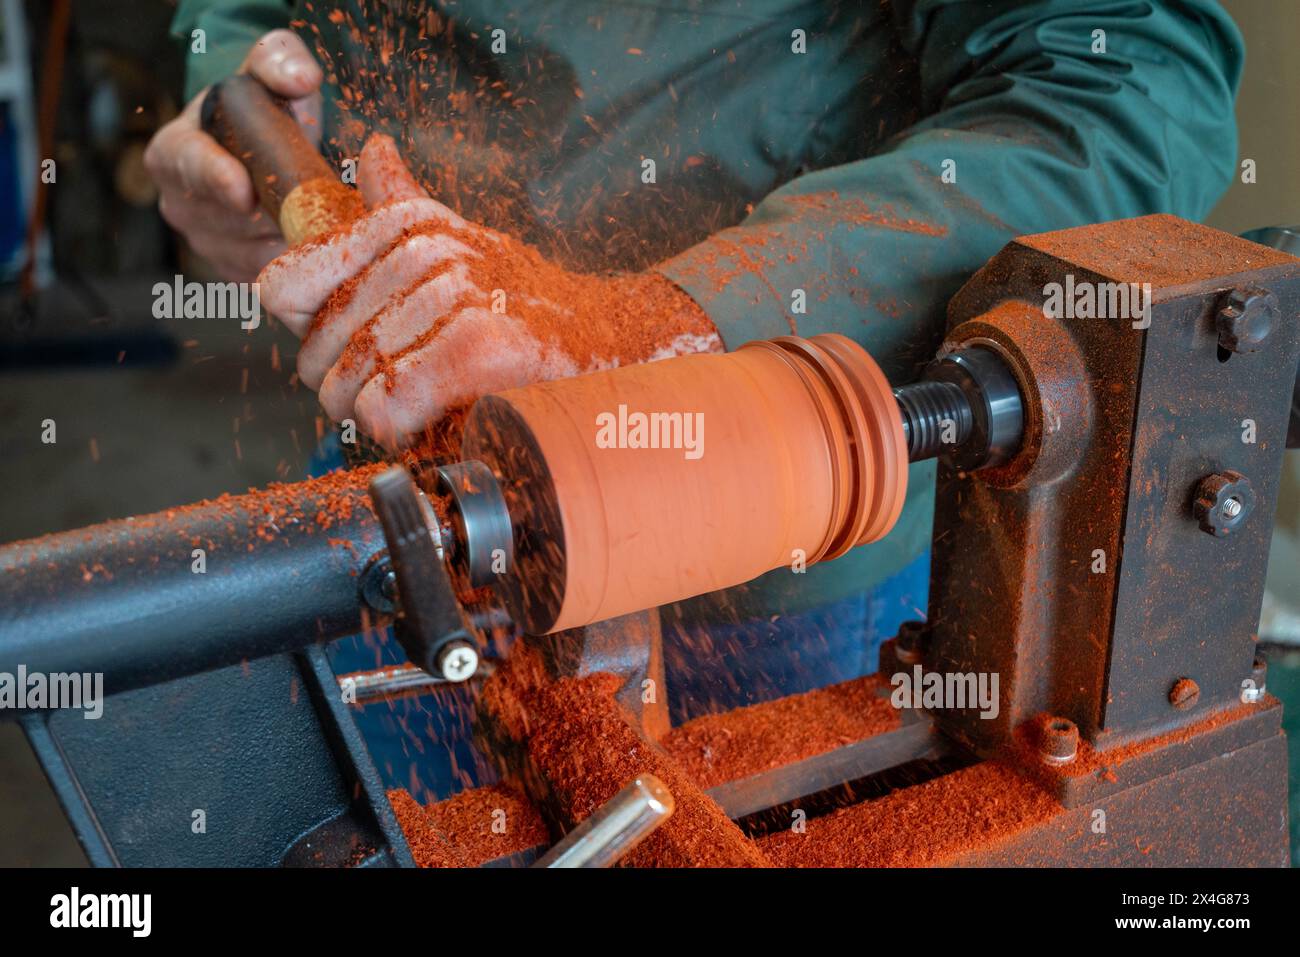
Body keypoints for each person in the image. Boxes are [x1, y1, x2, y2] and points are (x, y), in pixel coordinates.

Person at [145, 0, 1244, 792]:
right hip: (392, 476)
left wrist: (662, 321)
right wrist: (237, 90)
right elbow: (237, 19)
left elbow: (1118, 88)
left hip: (762, 559)